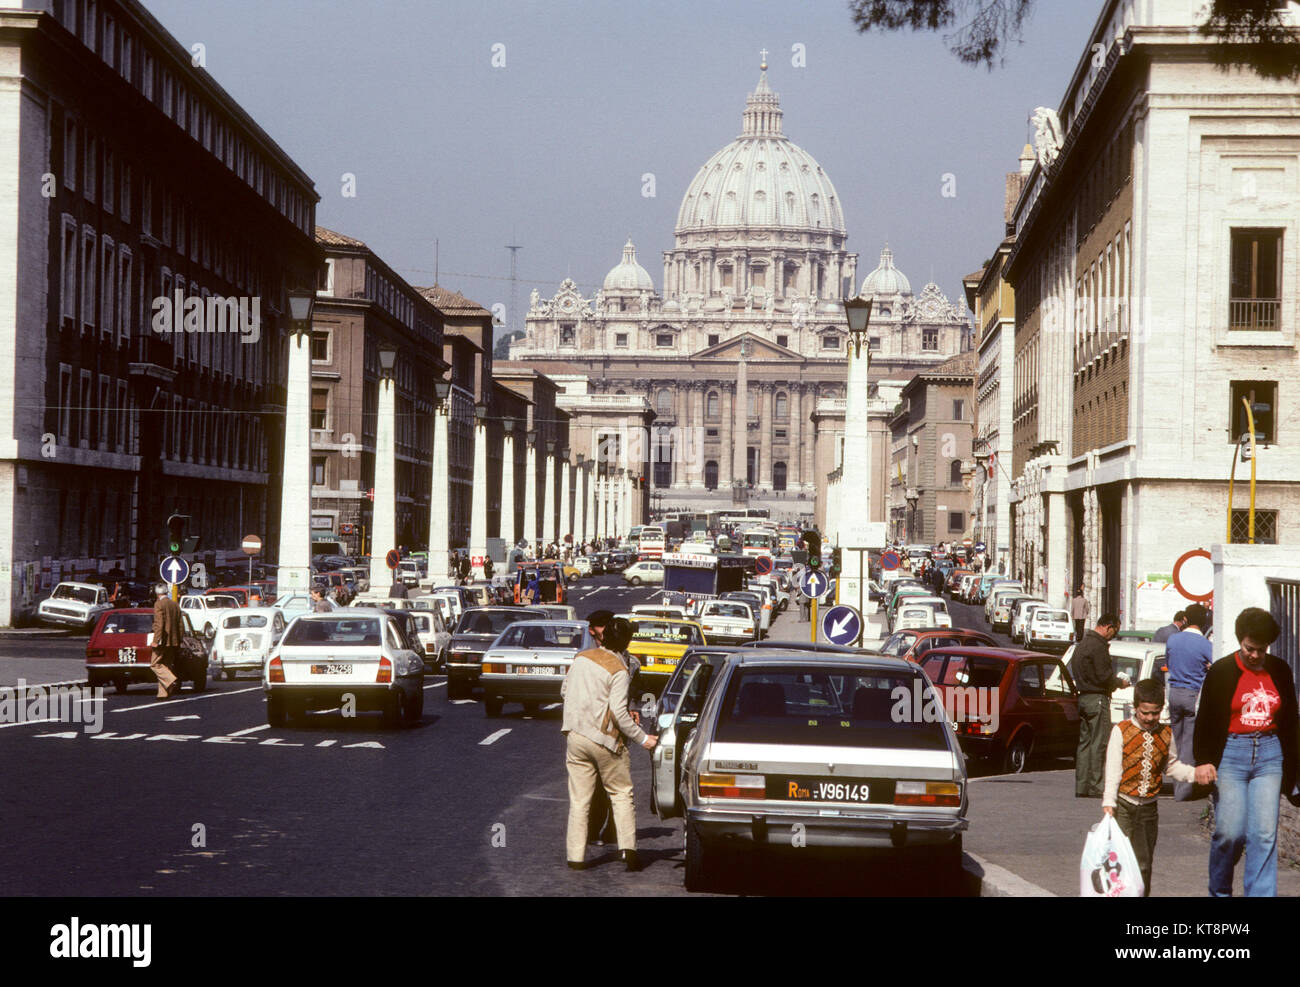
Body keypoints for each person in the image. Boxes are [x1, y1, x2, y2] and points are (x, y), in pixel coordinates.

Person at [1194, 607, 1300, 897]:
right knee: (1230, 833)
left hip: (1269, 754)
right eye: (1249, 649)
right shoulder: (1222, 671)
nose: (1255, 655)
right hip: (1231, 754)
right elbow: (1204, 720)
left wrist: (1295, 771)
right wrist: (1203, 760)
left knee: (1264, 835)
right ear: (1240, 641)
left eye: (1261, 650)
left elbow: (1291, 721)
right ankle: (1219, 891)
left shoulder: (1279, 670)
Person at [562, 616, 657, 871]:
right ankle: (628, 851)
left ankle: (576, 857)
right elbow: (618, 713)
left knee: (580, 799)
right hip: (604, 740)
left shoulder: (581, 659)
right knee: (621, 793)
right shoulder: (620, 669)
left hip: (575, 737)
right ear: (626, 641)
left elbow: (564, 691)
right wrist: (643, 738)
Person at [1102, 678, 1197, 896]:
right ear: (1135, 708)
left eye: (1155, 713)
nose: (1149, 718)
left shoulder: (1166, 733)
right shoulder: (1121, 730)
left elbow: (1171, 766)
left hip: (1148, 810)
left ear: (1161, 709)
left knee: (1143, 864)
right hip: (1123, 806)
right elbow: (1113, 770)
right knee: (1118, 862)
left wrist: (1194, 774)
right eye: (1144, 712)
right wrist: (1109, 802)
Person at [584, 610, 643, 846]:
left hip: (618, 730)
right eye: (602, 626)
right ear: (593, 631)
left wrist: (634, 708)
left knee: (616, 782)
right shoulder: (586, 658)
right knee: (594, 783)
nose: (607, 629)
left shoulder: (632, 662)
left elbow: (635, 693)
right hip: (594, 728)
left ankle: (612, 831)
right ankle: (591, 829)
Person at [1071, 613, 1127, 798]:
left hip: (1083, 698)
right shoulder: (1098, 646)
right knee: (1099, 743)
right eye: (1115, 631)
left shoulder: (1083, 643)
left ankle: (1082, 785)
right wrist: (1119, 683)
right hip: (1097, 699)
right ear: (1108, 627)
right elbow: (1103, 676)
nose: (1114, 635)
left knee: (1084, 743)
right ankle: (1096, 786)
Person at [1165, 603, 1212, 801]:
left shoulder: (1173, 639)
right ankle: (1183, 792)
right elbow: (1214, 665)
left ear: (1185, 620)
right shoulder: (1205, 644)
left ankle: (1176, 783)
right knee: (1188, 743)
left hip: (1174, 692)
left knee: (1175, 740)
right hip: (1193, 694)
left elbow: (1168, 662)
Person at [151, 584, 184, 699]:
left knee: (155, 664)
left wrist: (156, 640)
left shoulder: (158, 604)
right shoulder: (174, 604)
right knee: (167, 665)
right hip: (173, 641)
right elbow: (180, 624)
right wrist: (179, 640)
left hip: (163, 641)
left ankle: (170, 680)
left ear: (157, 593)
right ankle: (163, 693)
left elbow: (159, 624)